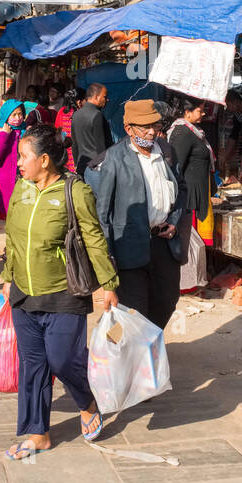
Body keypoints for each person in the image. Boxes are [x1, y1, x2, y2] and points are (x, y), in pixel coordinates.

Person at [1, 126, 119, 460]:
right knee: (33, 365)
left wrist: (108, 283)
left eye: (24, 156)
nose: (19, 163)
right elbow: (11, 235)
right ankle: (38, 434)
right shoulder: (22, 188)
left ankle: (87, 400)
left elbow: (94, 237)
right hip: (24, 295)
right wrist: (8, 275)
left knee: (63, 359)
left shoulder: (74, 190)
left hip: (64, 291)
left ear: (44, 159)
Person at [92, 99, 185, 330]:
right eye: (145, 127)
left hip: (163, 244)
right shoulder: (114, 158)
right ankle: (134, 356)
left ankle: (148, 343)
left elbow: (181, 189)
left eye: (155, 125)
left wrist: (173, 222)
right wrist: (107, 258)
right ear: (128, 129)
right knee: (134, 309)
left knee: (167, 300)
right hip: (129, 248)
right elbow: (102, 213)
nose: (152, 132)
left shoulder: (166, 151)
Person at [168, 97, 217, 293]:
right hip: (188, 195)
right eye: (200, 110)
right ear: (187, 112)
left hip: (196, 192)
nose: (203, 113)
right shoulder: (182, 132)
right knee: (187, 241)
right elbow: (175, 166)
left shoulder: (193, 132)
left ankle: (192, 282)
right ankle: (186, 285)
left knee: (191, 242)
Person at [0, 98, 27, 219]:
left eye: (20, 114)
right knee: (6, 210)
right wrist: (4, 135)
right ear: (6, 115)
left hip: (24, 176)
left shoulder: (26, 131)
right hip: (5, 178)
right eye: (14, 114)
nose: (18, 118)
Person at [71, 82, 113, 175]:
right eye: (104, 97)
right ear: (96, 97)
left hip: (81, 166)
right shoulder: (97, 115)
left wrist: (76, 164)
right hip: (95, 167)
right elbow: (101, 146)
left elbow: (74, 144)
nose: (107, 99)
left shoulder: (76, 114)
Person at [55, 89, 80, 171]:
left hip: (66, 146)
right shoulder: (79, 112)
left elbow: (58, 129)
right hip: (78, 148)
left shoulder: (62, 111)